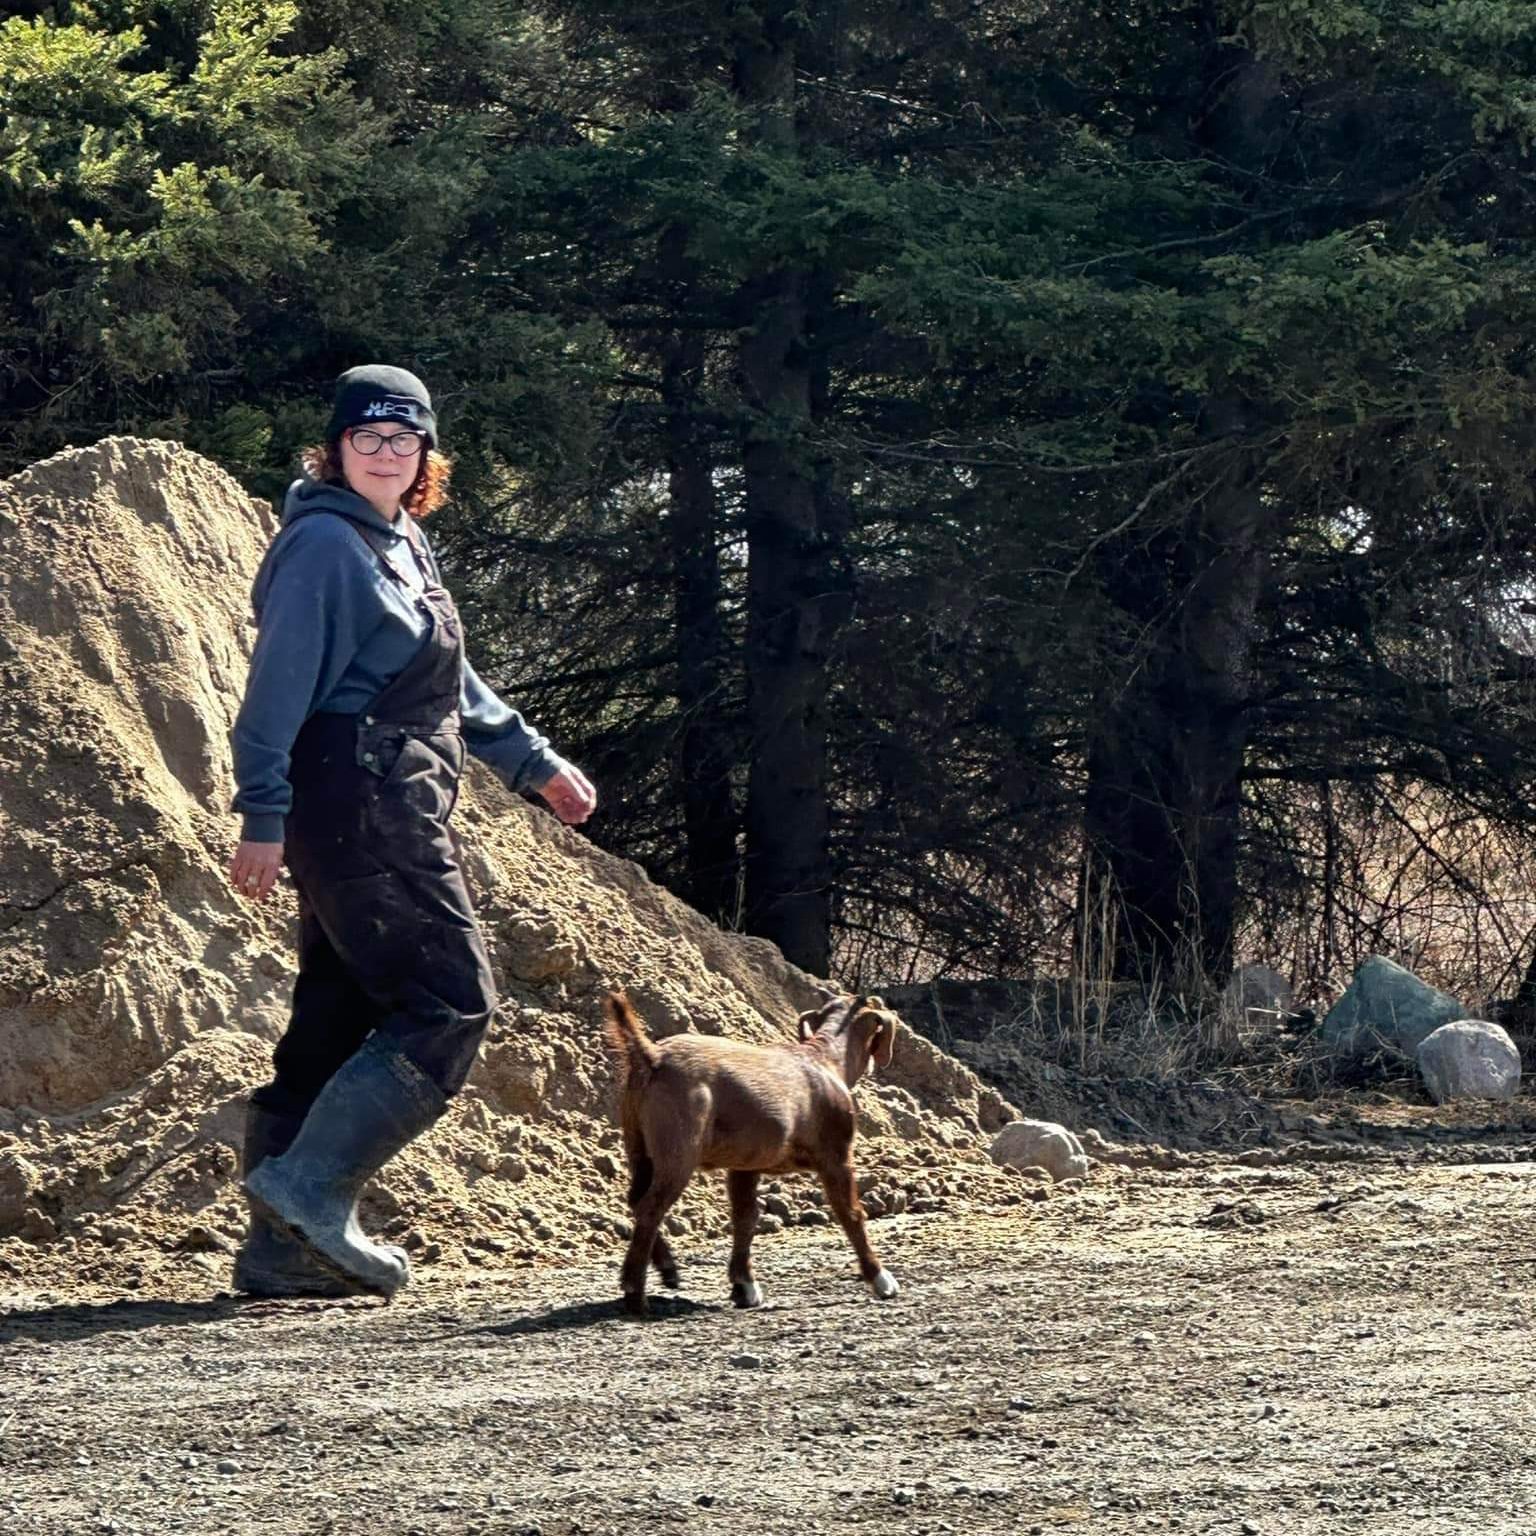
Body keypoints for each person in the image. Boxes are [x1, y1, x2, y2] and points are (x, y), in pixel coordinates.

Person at [228, 364, 595, 1299]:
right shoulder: (323, 549)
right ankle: (309, 1186)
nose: (386, 454)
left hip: (392, 794)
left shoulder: (401, 541)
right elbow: (272, 697)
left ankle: (281, 1251)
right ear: (336, 447)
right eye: (367, 438)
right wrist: (261, 818)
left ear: (425, 455)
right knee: (449, 1000)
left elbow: (453, 682)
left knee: (337, 1013)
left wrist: (532, 761)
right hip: (357, 799)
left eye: (404, 441)